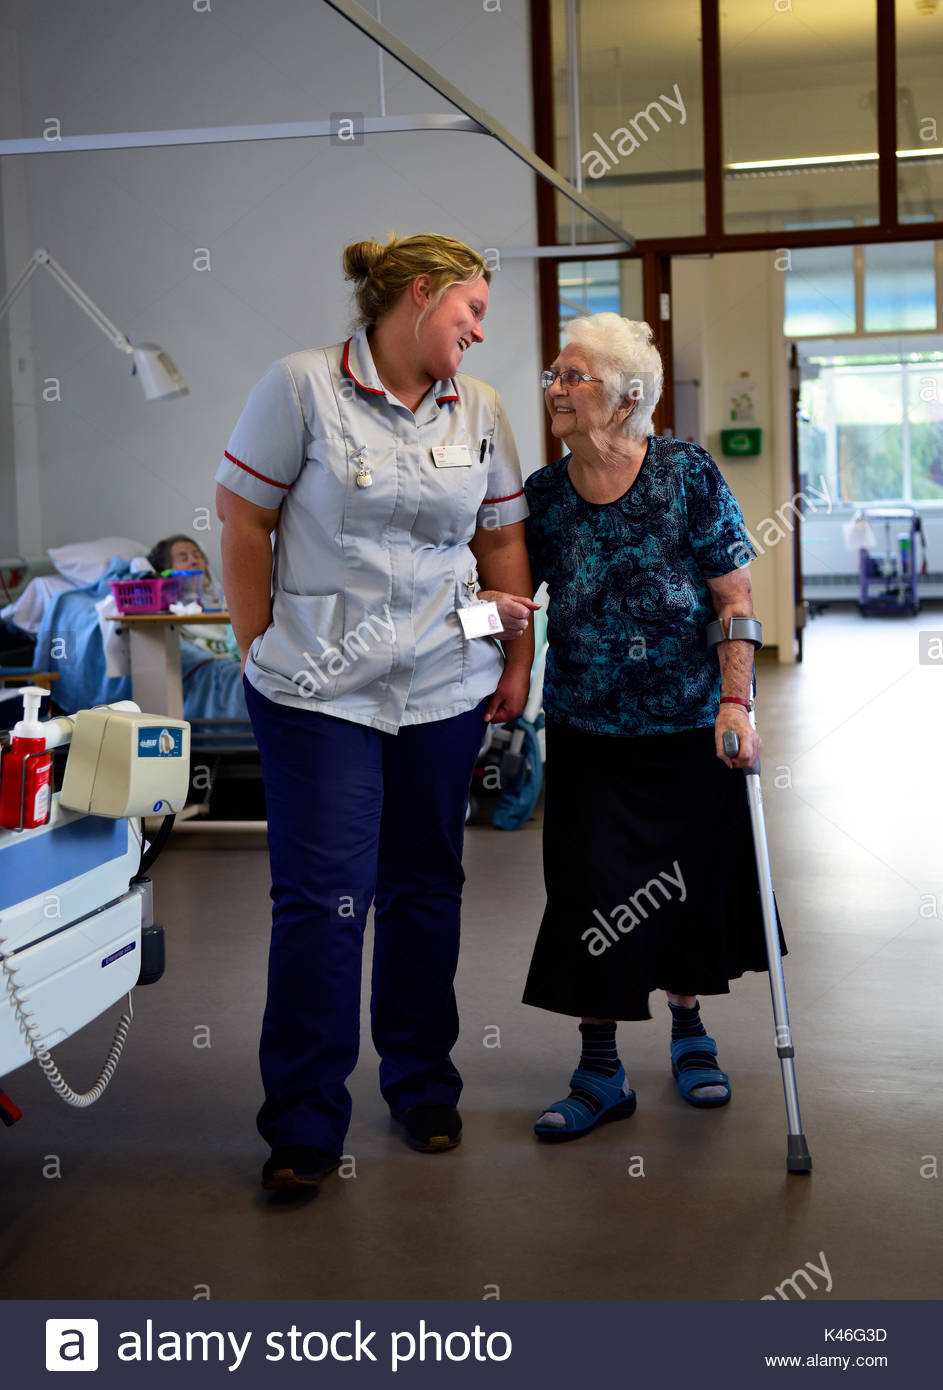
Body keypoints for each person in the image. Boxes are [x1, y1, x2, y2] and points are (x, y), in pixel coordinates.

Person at [215, 233, 537, 1191]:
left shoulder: (478, 408)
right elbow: (241, 519)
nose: (481, 330)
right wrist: (258, 642)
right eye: (471, 310)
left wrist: (514, 655)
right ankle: (306, 1121)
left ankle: (421, 1082)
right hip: (317, 694)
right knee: (321, 903)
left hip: (443, 684)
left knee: (425, 888)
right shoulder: (301, 386)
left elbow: (500, 537)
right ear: (422, 297)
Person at [521, 312, 785, 1141]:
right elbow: (514, 597)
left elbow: (733, 599)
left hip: (682, 726)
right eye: (553, 376)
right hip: (585, 728)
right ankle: (599, 1069)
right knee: (588, 892)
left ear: (629, 395)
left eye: (574, 376)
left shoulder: (684, 474)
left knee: (680, 886)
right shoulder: (544, 496)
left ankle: (690, 1031)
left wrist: (735, 702)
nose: (556, 390)